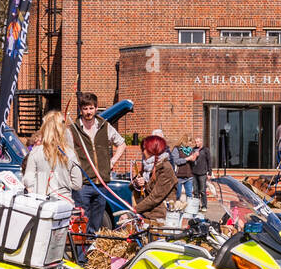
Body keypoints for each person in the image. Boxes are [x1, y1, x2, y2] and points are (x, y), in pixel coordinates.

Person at [71, 92, 126, 232]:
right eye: (85, 109)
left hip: (101, 183)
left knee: (96, 224)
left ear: (96, 108)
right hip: (82, 184)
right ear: (80, 109)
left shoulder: (104, 126)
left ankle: (91, 252)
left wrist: (112, 162)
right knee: (81, 224)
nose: (88, 112)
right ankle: (80, 254)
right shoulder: (73, 129)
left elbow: (122, 144)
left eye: (91, 108)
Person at [22, 110, 82, 201]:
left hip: (42, 204)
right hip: (64, 204)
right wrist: (64, 182)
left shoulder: (35, 152)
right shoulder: (70, 153)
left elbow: (28, 181)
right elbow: (77, 184)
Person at [131, 135, 177, 223]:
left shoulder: (165, 168)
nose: (142, 152)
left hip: (160, 217)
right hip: (147, 213)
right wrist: (137, 183)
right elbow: (131, 186)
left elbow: (155, 197)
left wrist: (134, 210)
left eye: (145, 149)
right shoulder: (147, 166)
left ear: (153, 150)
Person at [191, 135, 212, 209]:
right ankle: (196, 206)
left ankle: (204, 205)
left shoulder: (206, 150)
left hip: (202, 173)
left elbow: (209, 161)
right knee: (195, 191)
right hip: (194, 173)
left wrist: (209, 173)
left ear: (201, 141)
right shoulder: (193, 149)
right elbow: (191, 160)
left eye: (198, 141)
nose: (196, 143)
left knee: (202, 191)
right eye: (195, 142)